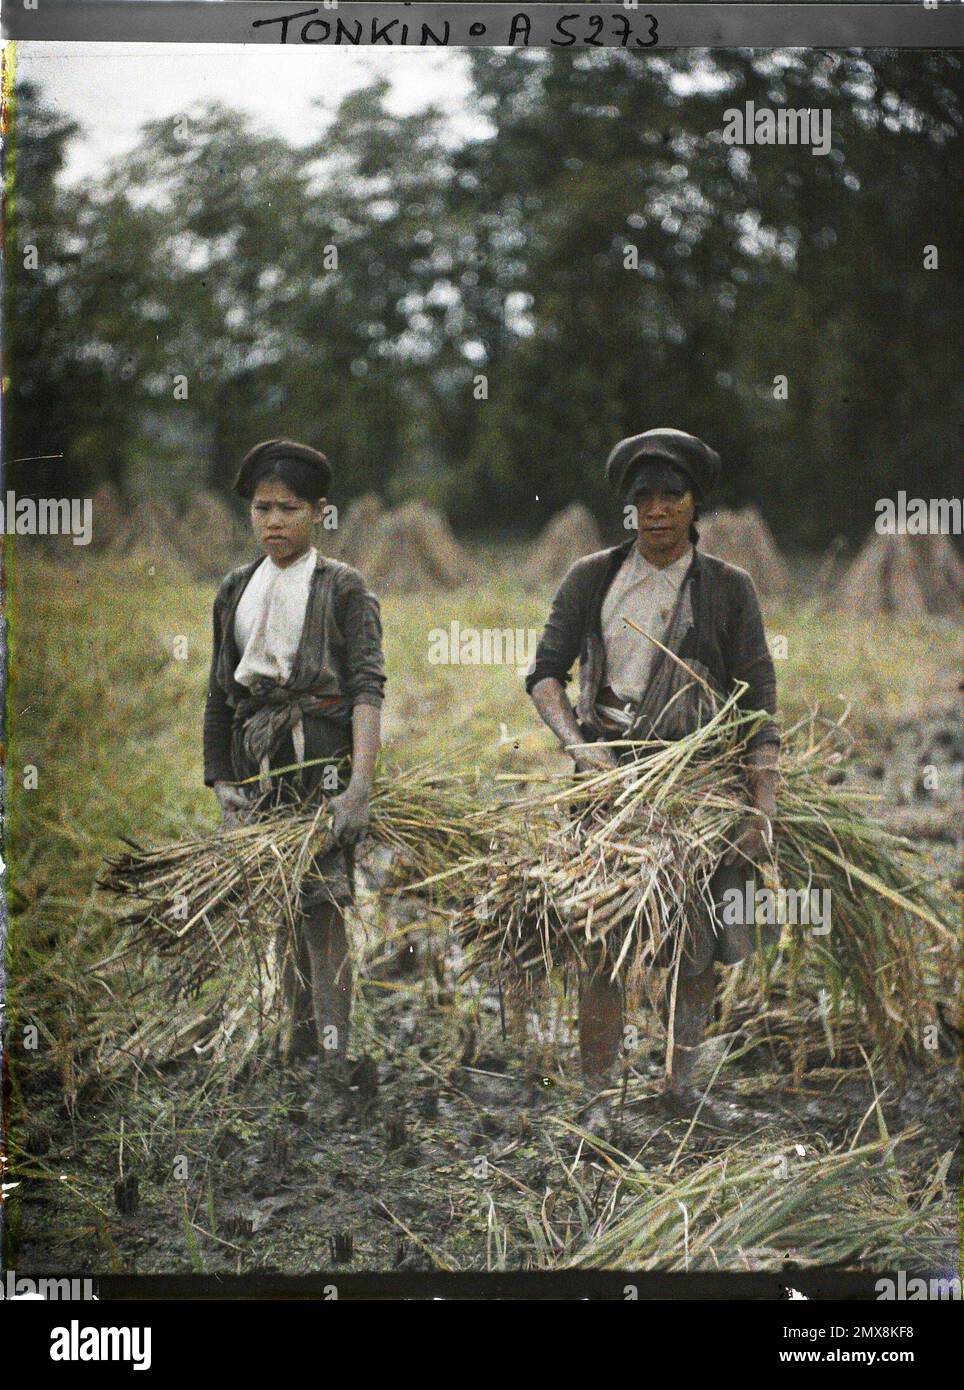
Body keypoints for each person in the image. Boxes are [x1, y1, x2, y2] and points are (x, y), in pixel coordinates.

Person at [525, 428, 779, 1115]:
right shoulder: (593, 578)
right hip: (610, 784)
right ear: (627, 507)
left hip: (700, 789)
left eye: (672, 495)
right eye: (643, 498)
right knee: (603, 939)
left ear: (696, 504)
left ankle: (679, 1084)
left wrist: (761, 808)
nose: (657, 510)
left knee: (697, 947)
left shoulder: (728, 589)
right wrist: (582, 750)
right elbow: (545, 676)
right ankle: (597, 1096)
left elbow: (759, 702)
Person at [203, 439, 385, 1077]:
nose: (273, 522)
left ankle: (336, 1051)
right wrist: (223, 780)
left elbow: (367, 688)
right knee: (281, 897)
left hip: (325, 763)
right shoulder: (234, 589)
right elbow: (221, 695)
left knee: (325, 903)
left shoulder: (342, 587)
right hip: (260, 765)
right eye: (261, 509)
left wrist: (359, 786)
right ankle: (297, 1036)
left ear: (319, 513)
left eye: (288, 508)